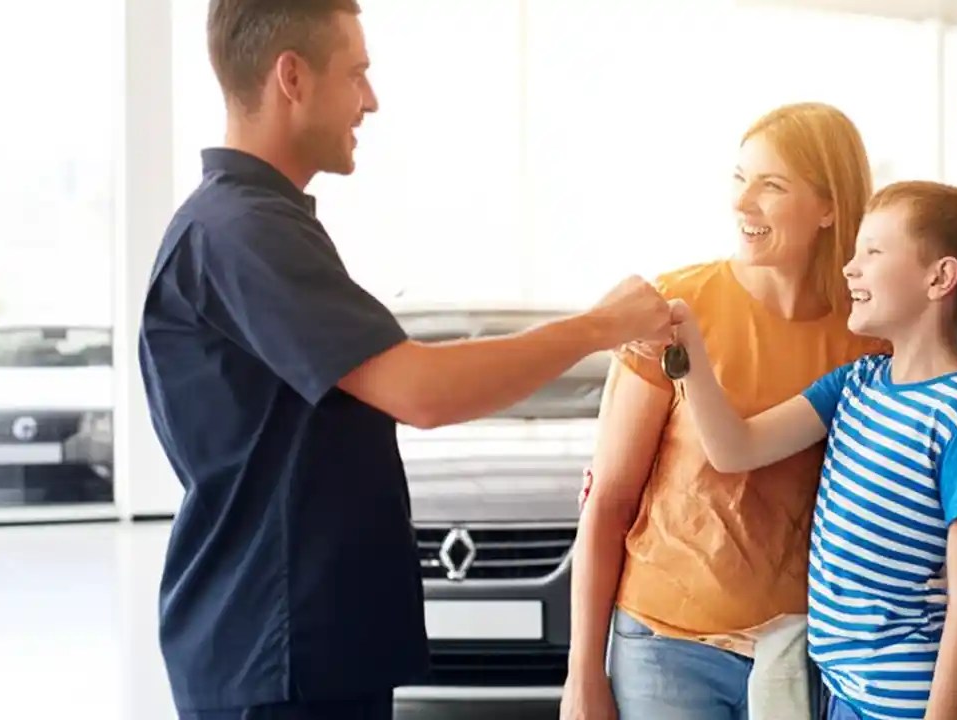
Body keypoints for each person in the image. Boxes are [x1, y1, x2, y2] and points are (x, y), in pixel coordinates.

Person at [139, 2, 673, 718]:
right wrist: (599, 326)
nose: (371, 100)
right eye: (356, 74)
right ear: (291, 77)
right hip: (275, 663)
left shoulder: (252, 226)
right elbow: (422, 390)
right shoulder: (243, 235)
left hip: (297, 652)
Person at [560, 102, 888, 720]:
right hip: (665, 647)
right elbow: (607, 501)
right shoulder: (677, 309)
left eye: (771, 185)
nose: (743, 203)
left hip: (810, 656)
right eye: (739, 179)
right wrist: (582, 676)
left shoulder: (870, 332)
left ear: (830, 207)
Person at [670, 180, 957, 720]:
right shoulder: (856, 384)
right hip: (839, 691)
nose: (850, 268)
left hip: (902, 703)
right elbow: (734, 448)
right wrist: (683, 345)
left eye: (872, 252)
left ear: (939, 277)